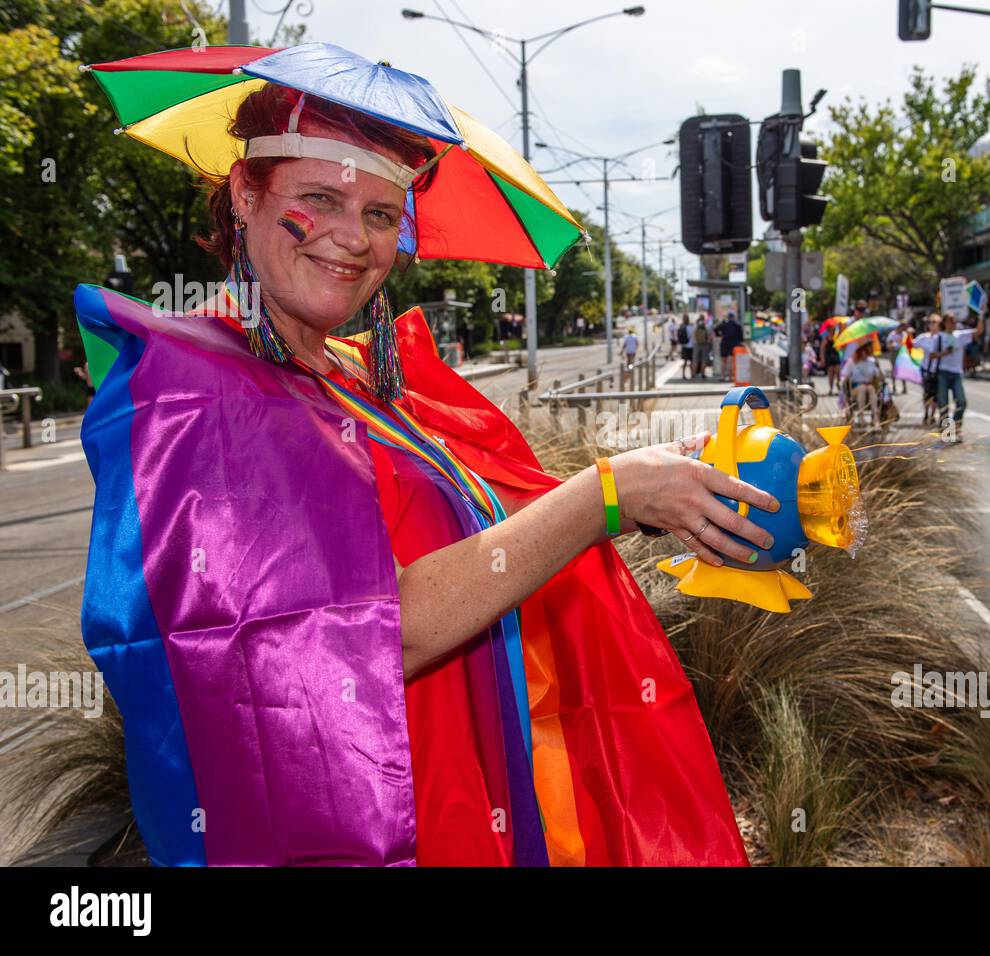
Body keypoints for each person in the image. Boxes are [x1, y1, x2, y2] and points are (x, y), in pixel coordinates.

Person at [73, 77, 760, 867]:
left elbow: (492, 539)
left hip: (473, 789)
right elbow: (361, 631)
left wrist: (666, 496)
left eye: (377, 215)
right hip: (373, 825)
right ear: (244, 194)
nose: (352, 238)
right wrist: (605, 495)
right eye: (320, 199)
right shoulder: (195, 391)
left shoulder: (368, 377)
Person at [932, 311, 984, 442]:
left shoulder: (960, 335)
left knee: (961, 401)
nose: (954, 322)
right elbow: (932, 355)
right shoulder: (939, 337)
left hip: (956, 374)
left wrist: (981, 316)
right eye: (951, 320)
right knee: (943, 404)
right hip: (942, 372)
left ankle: (955, 426)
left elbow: (978, 331)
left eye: (955, 320)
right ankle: (945, 430)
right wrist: (945, 353)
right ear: (945, 323)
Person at [842, 346, 883, 425]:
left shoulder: (871, 362)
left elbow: (879, 376)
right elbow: (844, 375)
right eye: (861, 353)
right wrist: (844, 380)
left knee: (870, 388)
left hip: (869, 386)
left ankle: (875, 417)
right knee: (863, 388)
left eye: (865, 352)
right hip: (856, 388)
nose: (864, 355)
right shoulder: (851, 363)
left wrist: (878, 366)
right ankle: (861, 416)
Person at [916, 313, 943, 426]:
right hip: (926, 369)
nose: (931, 325)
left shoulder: (942, 337)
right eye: (930, 322)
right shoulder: (923, 337)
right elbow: (911, 345)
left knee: (936, 394)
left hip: (939, 369)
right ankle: (926, 413)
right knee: (927, 393)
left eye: (934, 322)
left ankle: (933, 415)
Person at [716, 310, 744, 380]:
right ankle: (731, 377)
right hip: (733, 345)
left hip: (724, 343)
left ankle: (722, 377)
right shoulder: (737, 325)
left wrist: (720, 335)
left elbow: (715, 329)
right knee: (731, 361)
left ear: (728, 317)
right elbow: (741, 337)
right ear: (734, 317)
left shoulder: (724, 324)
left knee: (724, 361)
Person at [820, 330, 841, 396]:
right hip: (829, 358)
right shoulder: (826, 339)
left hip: (836, 356)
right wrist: (822, 359)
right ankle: (831, 389)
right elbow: (822, 350)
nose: (832, 331)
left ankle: (838, 385)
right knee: (830, 375)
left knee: (838, 373)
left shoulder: (837, 337)